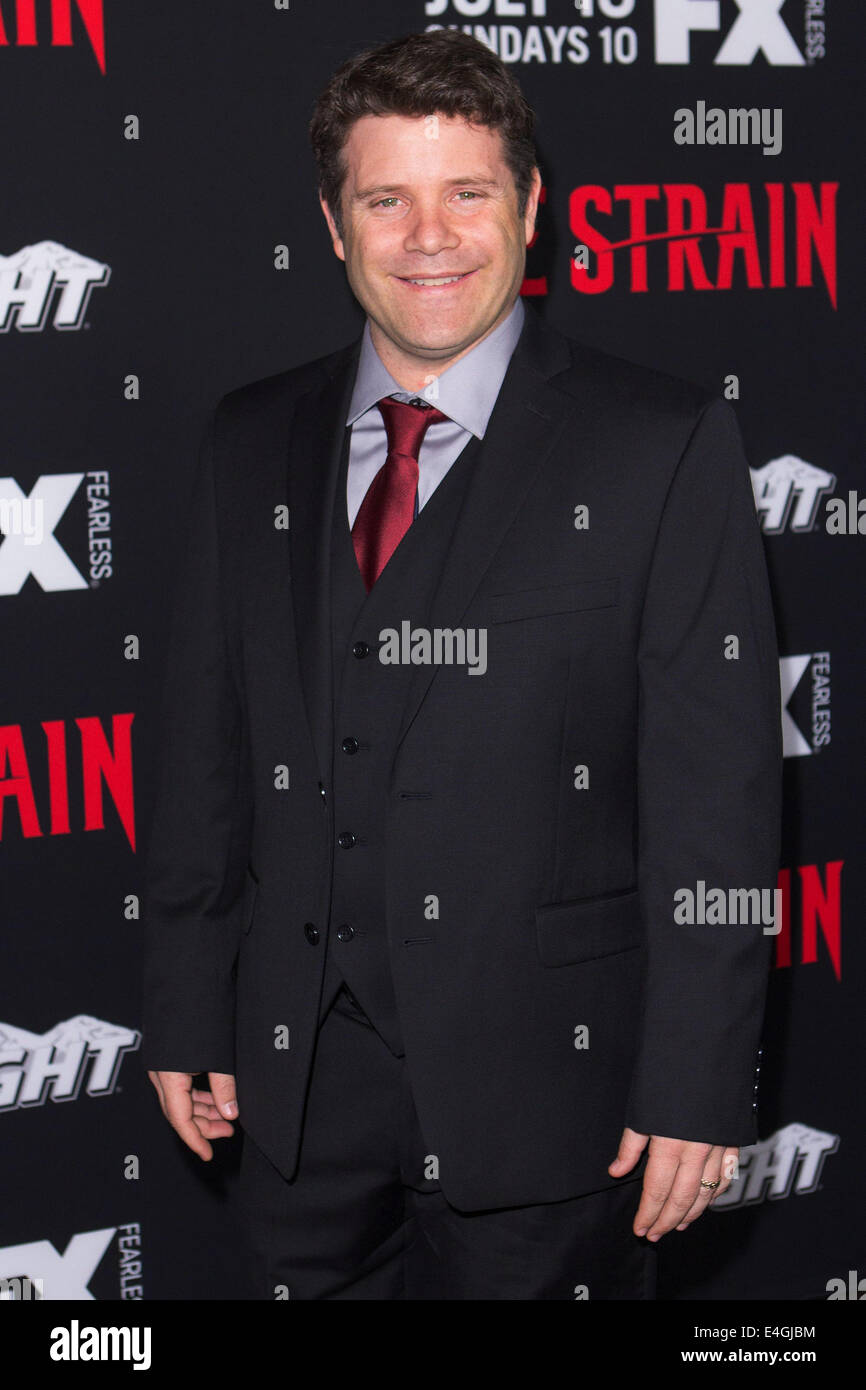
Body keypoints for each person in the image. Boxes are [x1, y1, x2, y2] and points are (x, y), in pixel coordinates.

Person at [141, 28, 782, 1300]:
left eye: (467, 193)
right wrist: (184, 1003)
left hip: (555, 1104)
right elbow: (200, 754)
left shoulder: (658, 443)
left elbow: (716, 797)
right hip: (291, 1103)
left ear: (530, 210)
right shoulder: (246, 438)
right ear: (334, 225)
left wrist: (700, 1081)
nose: (428, 235)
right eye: (387, 198)